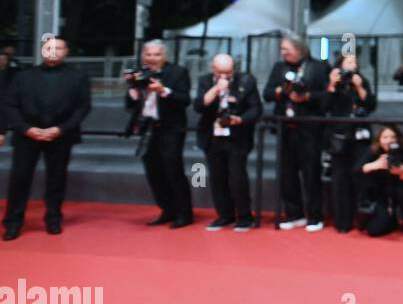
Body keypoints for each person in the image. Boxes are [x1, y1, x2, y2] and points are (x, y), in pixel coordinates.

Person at [2, 36, 90, 241]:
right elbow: (9, 105)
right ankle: (13, 223)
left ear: (66, 51)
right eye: (49, 48)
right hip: (26, 136)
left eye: (59, 48)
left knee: (56, 179)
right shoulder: (23, 76)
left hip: (60, 136)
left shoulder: (78, 77)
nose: (53, 51)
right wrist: (26, 128)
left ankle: (53, 219)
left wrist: (61, 129)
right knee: (19, 179)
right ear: (42, 50)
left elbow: (82, 108)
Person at [125, 39, 194, 229]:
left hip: (171, 128)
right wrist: (133, 90)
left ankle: (184, 213)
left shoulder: (178, 72)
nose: (152, 58)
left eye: (156, 54)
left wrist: (163, 90)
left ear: (164, 56)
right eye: (148, 54)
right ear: (143, 56)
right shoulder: (140, 73)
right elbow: (130, 106)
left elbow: (184, 100)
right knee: (153, 172)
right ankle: (167, 209)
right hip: (148, 128)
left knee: (173, 170)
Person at [264, 34, 329, 231]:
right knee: (287, 174)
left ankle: (315, 216)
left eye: (286, 49)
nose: (283, 53)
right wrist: (280, 91)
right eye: (282, 49)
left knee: (311, 173)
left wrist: (306, 96)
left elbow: (327, 97)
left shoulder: (319, 67)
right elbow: (267, 93)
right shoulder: (279, 67)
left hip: (309, 128)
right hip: (285, 128)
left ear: (299, 49)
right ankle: (294, 214)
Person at [194, 53, 262, 231]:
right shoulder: (205, 81)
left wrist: (239, 119)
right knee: (217, 177)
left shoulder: (246, 81)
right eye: (220, 72)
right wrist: (216, 89)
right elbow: (198, 106)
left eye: (228, 72)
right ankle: (224, 215)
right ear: (213, 69)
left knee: (237, 177)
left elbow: (256, 109)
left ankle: (245, 216)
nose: (225, 76)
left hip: (237, 136)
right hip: (212, 135)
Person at [325, 52, 375, 233]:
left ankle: (362, 219)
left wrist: (360, 87)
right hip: (339, 136)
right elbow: (325, 106)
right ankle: (342, 221)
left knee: (361, 177)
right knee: (340, 180)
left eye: (354, 62)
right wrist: (331, 85)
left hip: (360, 137)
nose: (352, 65)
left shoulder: (362, 81)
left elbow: (371, 105)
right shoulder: (334, 83)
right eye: (348, 62)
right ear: (340, 65)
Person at [357, 125, 403, 237]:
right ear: (379, 139)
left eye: (392, 137)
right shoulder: (373, 150)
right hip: (380, 192)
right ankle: (391, 219)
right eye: (385, 137)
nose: (389, 140)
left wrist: (402, 172)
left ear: (397, 139)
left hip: (401, 187)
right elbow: (357, 170)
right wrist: (374, 165)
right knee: (374, 230)